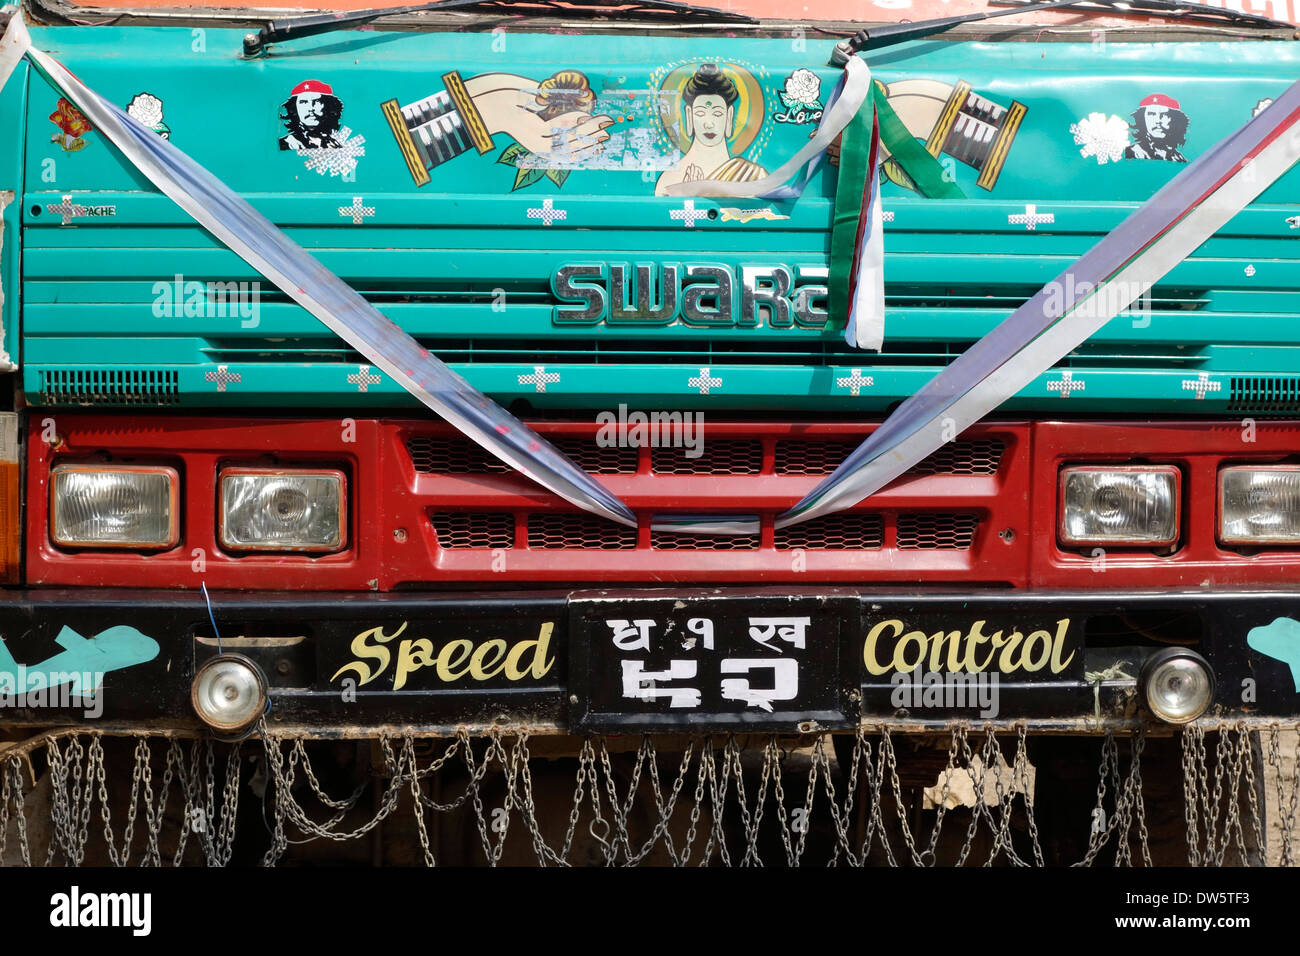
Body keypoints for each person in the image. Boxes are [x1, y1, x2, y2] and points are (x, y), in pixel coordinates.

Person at [655, 64, 766, 195]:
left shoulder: (753, 176)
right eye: (700, 113)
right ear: (689, 115)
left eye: (717, 113)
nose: (709, 124)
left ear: (729, 116)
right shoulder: (668, 182)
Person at [279, 80, 343, 151]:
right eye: (303, 102)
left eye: (317, 101)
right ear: (294, 108)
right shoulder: (287, 144)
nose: (310, 108)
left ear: (329, 106)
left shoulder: (337, 143)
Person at [1124, 93, 1188, 162]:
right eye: (1152, 114)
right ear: (1143, 119)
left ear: (1174, 120)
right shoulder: (1132, 153)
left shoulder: (1179, 159)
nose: (1158, 121)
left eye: (1165, 114)